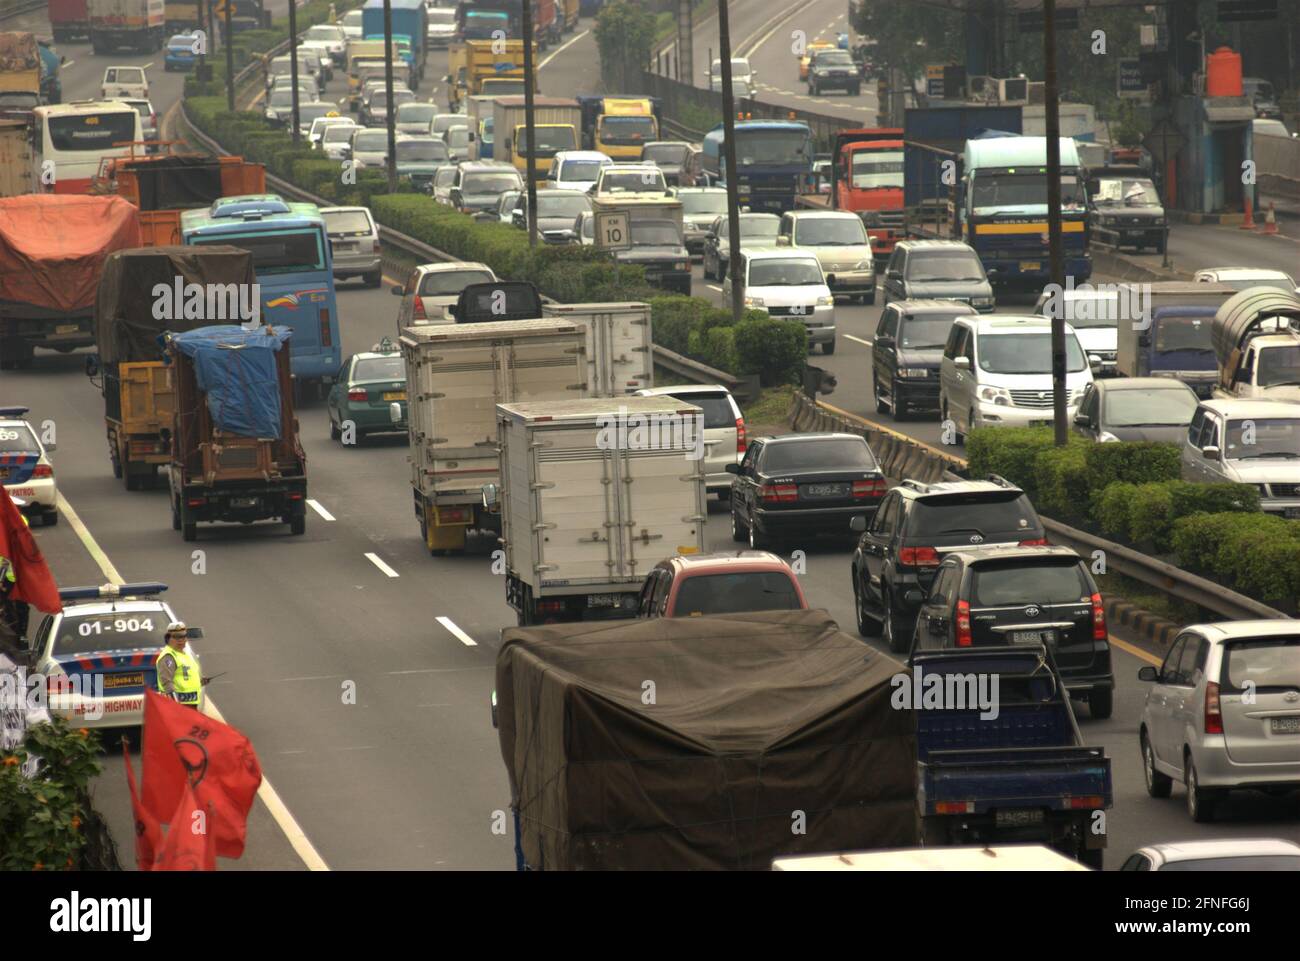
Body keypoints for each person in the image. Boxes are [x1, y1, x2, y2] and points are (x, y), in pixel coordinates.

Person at [155, 621, 205, 707]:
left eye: (183, 636)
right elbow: (166, 682)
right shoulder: (169, 656)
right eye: (176, 637)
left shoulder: (185, 655)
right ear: (168, 638)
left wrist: (200, 681)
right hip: (178, 706)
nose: (181, 640)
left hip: (190, 704)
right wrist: (176, 705)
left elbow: (186, 677)